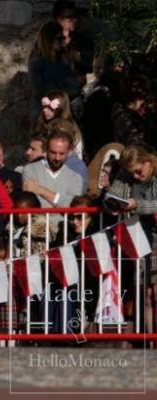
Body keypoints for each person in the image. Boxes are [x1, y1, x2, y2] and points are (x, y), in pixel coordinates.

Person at [104, 144, 157, 334]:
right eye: (131, 173)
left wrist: (138, 205)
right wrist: (112, 203)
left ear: (148, 162)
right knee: (147, 295)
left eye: (138, 171)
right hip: (139, 239)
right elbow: (112, 196)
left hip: (154, 237)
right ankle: (150, 343)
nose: (135, 176)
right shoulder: (125, 174)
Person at [29, 21, 82, 122]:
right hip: (45, 113)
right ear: (49, 40)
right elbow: (40, 89)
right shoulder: (37, 62)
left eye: (64, 38)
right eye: (60, 38)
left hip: (66, 111)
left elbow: (75, 86)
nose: (64, 41)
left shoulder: (65, 59)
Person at [22, 130, 85, 210]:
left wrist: (40, 190)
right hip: (38, 221)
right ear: (46, 150)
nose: (57, 158)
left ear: (68, 152)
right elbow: (31, 204)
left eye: (62, 153)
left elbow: (74, 208)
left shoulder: (75, 178)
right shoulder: (31, 170)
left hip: (64, 222)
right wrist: (63, 200)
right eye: (53, 153)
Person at [33, 90, 83, 158]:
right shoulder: (44, 124)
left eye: (50, 107)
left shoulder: (65, 129)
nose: (45, 110)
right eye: (44, 107)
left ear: (60, 109)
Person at [111, 75, 150, 147]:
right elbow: (136, 145)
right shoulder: (125, 120)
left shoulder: (127, 114)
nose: (143, 102)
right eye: (141, 98)